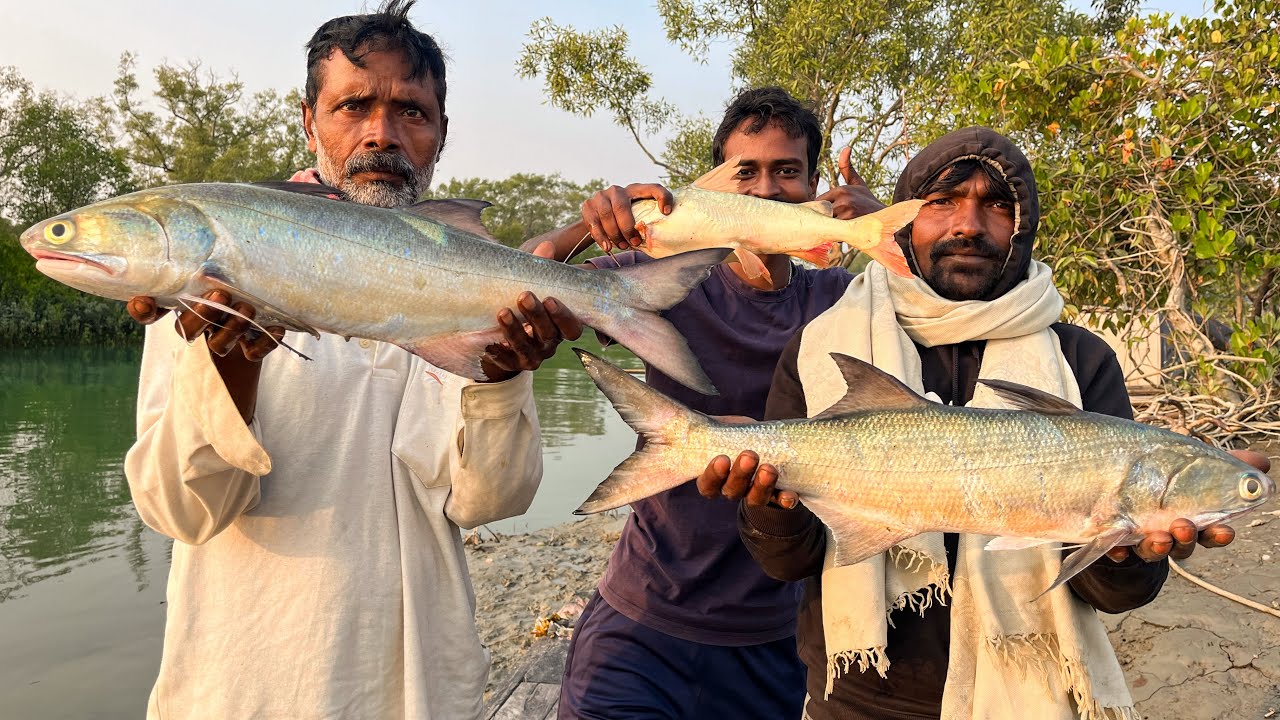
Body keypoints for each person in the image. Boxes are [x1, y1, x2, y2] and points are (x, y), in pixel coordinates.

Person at [698, 126, 1271, 719]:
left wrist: (1126, 553)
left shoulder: (1081, 360)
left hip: (1032, 692)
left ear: (1021, 228)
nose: (968, 224)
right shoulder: (821, 348)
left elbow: (1109, 595)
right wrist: (767, 506)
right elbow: (789, 563)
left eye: (997, 204)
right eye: (941, 202)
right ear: (904, 221)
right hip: (860, 696)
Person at [121, 3, 582, 718]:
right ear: (310, 121)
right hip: (240, 686)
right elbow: (181, 512)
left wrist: (500, 376)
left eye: (411, 111)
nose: (381, 134)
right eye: (353, 106)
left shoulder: (469, 283)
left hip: (415, 688)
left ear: (441, 134)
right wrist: (231, 371)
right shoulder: (214, 267)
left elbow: (485, 501)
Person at [531, 86, 880, 720]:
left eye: (788, 172)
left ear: (813, 188)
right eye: (746, 172)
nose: (767, 191)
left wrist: (888, 238)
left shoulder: (845, 298)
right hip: (643, 620)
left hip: (772, 634)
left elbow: (940, 330)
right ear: (715, 186)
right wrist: (592, 224)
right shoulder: (665, 276)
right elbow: (530, 278)